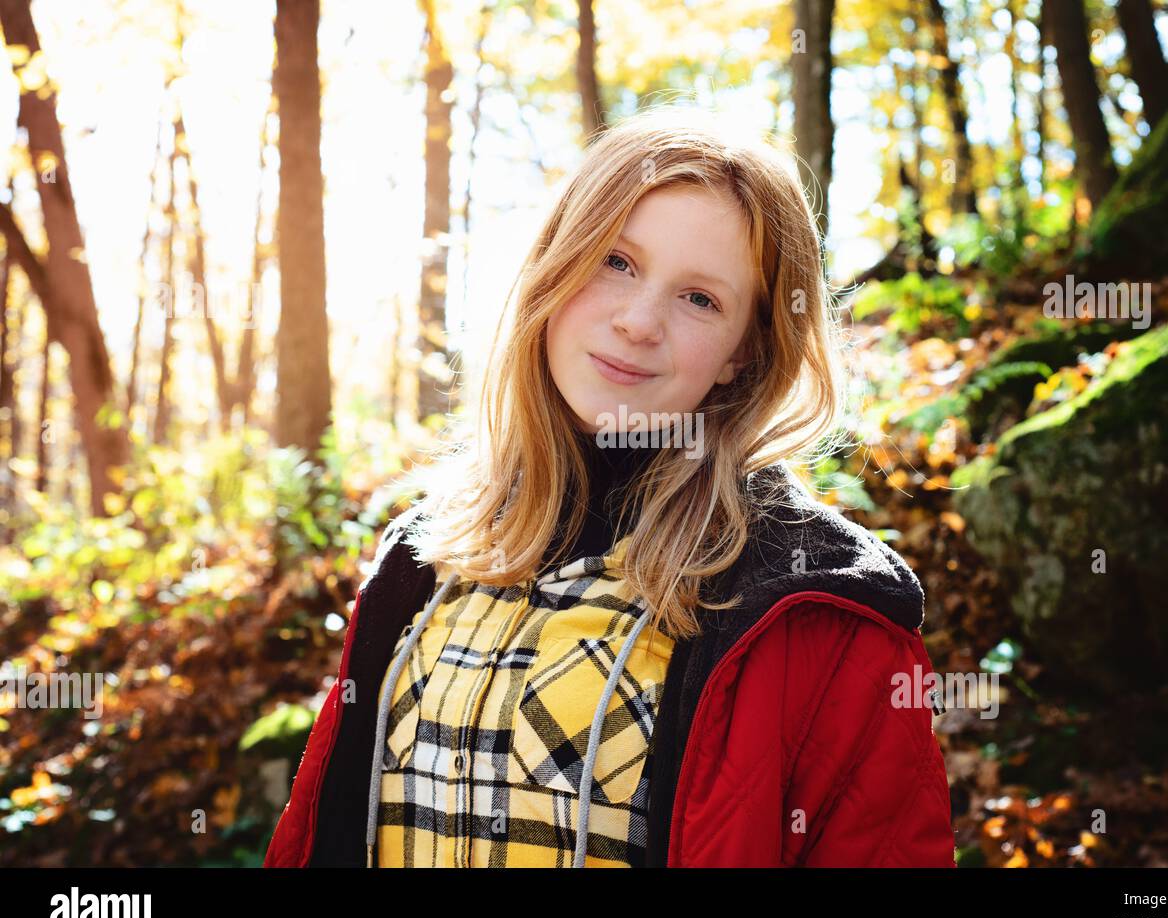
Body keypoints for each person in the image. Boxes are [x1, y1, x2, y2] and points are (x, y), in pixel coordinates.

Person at [264, 104, 955, 868]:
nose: (638, 320)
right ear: (556, 265)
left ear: (742, 352)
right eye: (616, 262)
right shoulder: (423, 560)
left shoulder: (820, 613)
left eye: (701, 299)